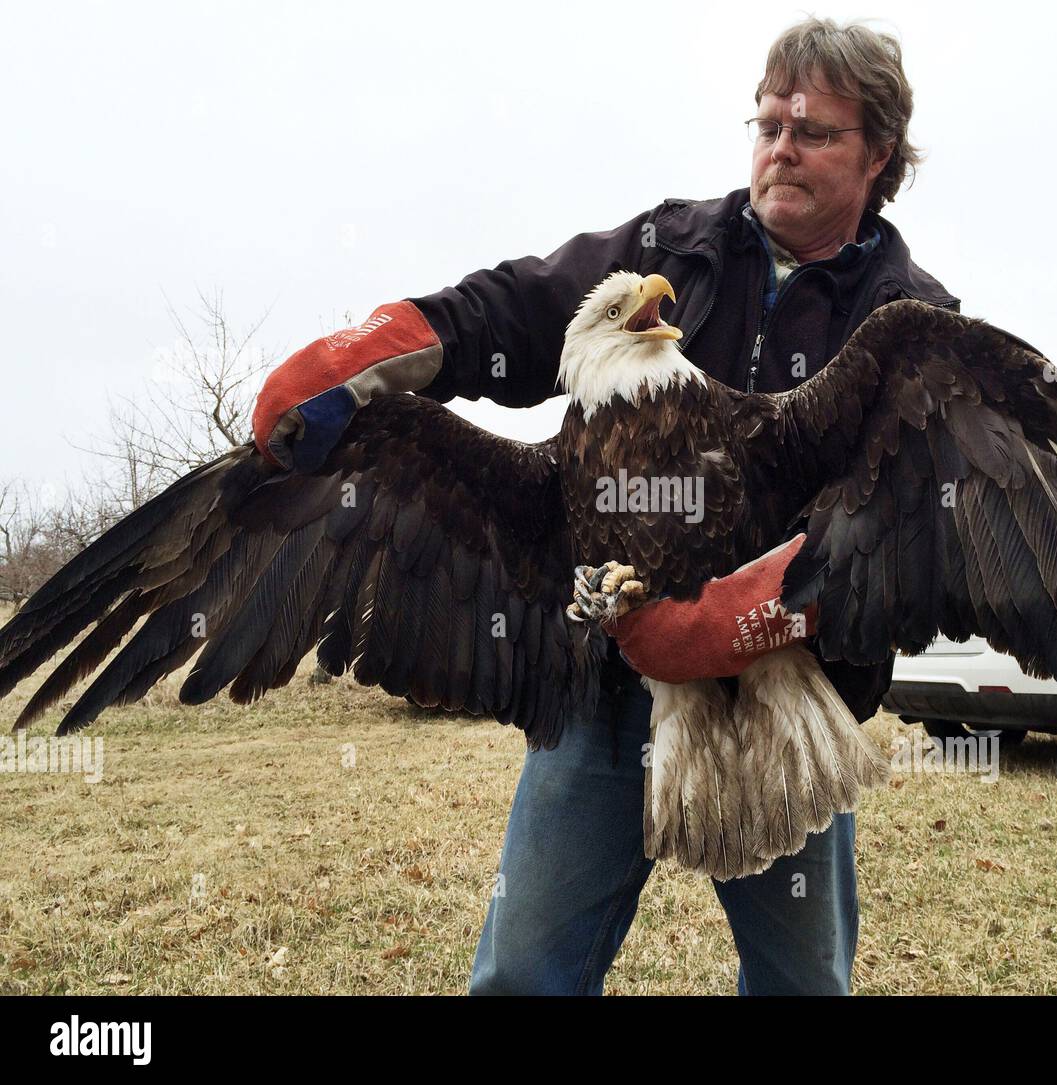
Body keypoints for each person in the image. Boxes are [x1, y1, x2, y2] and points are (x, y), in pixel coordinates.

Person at [252, 17, 958, 994]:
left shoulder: (910, 320)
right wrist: (406, 336)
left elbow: (913, 525)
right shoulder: (675, 248)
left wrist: (752, 616)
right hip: (605, 677)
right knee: (523, 973)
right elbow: (524, 307)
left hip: (780, 699)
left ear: (878, 151)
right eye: (765, 125)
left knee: (804, 987)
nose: (779, 147)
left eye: (814, 132)